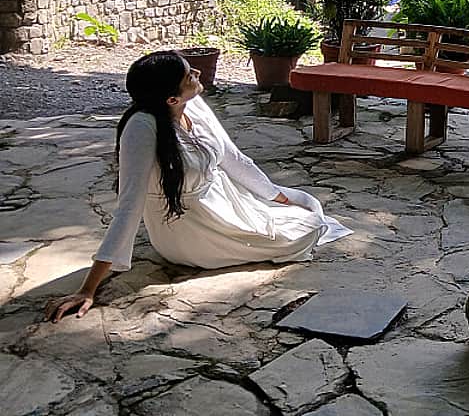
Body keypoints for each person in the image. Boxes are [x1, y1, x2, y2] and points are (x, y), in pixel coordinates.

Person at [45, 51, 350, 322]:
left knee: (305, 208)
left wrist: (275, 194)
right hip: (189, 230)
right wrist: (88, 289)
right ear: (171, 99)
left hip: (225, 201)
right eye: (189, 75)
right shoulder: (141, 128)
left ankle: (265, 212)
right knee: (301, 234)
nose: (198, 74)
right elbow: (128, 207)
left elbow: (232, 157)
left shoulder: (194, 104)